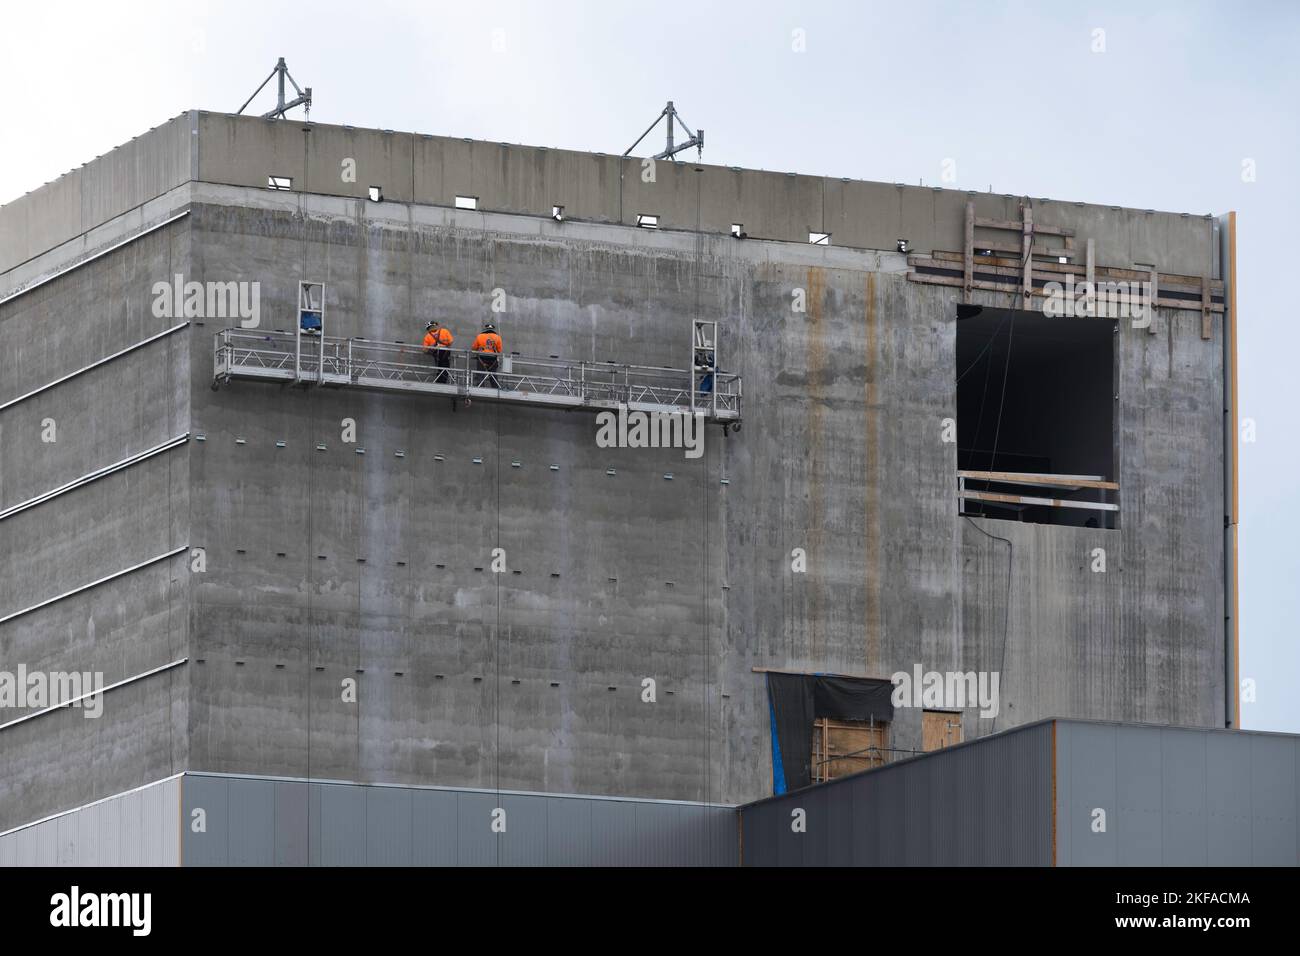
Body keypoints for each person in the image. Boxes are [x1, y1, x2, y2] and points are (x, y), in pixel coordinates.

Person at [472, 322, 503, 388]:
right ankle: (495, 388)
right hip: (493, 359)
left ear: (485, 329)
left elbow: (474, 348)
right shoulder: (497, 337)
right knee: (493, 374)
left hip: (482, 357)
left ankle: (480, 387)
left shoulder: (479, 336)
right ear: (493, 329)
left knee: (480, 374)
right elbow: (499, 350)